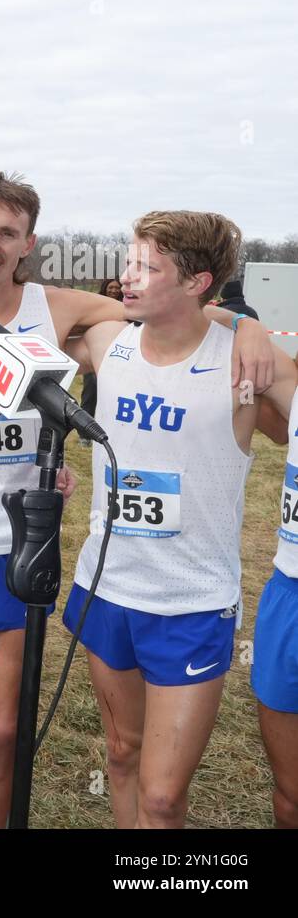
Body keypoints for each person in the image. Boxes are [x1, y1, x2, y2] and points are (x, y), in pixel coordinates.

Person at [0, 174, 274, 829]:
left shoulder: (62, 310)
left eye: (7, 233)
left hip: (16, 549)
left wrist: (245, 326)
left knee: (6, 725)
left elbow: (175, 310)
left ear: (28, 244)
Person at [63, 211, 295, 828]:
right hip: (106, 588)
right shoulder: (107, 342)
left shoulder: (245, 365)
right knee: (120, 755)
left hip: (191, 603)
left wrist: (246, 326)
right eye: (129, 262)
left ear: (197, 281)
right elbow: (38, 310)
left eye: (147, 268)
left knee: (163, 796)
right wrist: (234, 315)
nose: (127, 279)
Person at [254, 353, 298, 828]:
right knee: (290, 795)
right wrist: (246, 327)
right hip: (287, 598)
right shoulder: (295, 393)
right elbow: (206, 318)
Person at [79, 278, 124, 440]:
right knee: (90, 393)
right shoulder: (96, 306)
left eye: (117, 288)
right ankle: (84, 433)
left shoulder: (126, 307)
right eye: (110, 287)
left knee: (112, 395)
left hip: (118, 358)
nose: (113, 290)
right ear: (105, 288)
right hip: (94, 355)